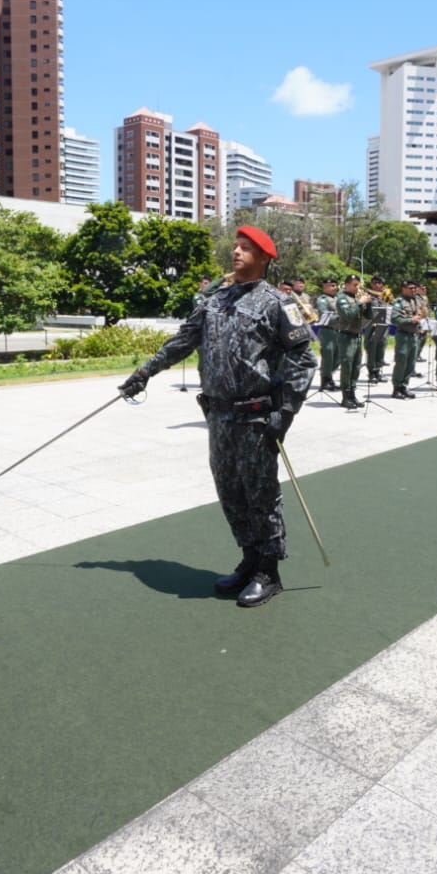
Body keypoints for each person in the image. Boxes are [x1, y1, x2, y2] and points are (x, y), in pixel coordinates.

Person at [121, 226, 315, 607]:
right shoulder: (215, 301)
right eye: (236, 247)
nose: (236, 253)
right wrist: (143, 373)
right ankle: (249, 558)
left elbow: (303, 357)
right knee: (230, 491)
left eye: (246, 249)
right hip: (220, 415)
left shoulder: (278, 303)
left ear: (264, 258)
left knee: (260, 493)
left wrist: (287, 411)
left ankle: (268, 570)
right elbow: (181, 341)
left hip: (257, 415)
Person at [332, 273, 367, 410]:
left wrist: (368, 304)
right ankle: (345, 397)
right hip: (346, 336)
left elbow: (368, 316)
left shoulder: (356, 298)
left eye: (358, 285)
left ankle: (352, 394)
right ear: (346, 285)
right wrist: (360, 303)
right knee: (347, 367)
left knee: (356, 367)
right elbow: (348, 316)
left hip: (358, 335)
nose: (357, 288)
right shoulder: (342, 298)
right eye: (355, 285)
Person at [390, 278, 424, 399]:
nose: (413, 290)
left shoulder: (416, 300)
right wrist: (410, 320)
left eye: (414, 288)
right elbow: (394, 319)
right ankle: (397, 388)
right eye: (410, 288)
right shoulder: (399, 302)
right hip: (403, 335)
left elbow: (420, 313)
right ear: (403, 289)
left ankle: (404, 386)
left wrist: (419, 317)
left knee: (411, 362)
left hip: (414, 335)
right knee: (401, 361)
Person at [362, 275, 391, 384]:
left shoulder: (386, 295)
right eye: (375, 283)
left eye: (380, 283)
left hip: (383, 325)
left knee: (381, 348)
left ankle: (378, 371)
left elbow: (391, 303)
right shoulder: (367, 296)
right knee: (372, 349)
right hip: (372, 326)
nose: (377, 285)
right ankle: (371, 373)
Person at [315, 277, 340, 392]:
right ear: (325, 287)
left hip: (339, 331)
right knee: (328, 356)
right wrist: (342, 316)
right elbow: (324, 315)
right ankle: (325, 380)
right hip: (327, 331)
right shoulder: (323, 300)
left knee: (339, 356)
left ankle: (328, 375)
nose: (335, 288)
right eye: (332, 286)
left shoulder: (339, 298)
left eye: (335, 285)